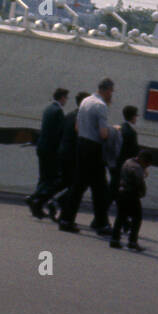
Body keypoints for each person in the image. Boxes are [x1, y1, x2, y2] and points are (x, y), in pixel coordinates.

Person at [59, 78, 115, 234]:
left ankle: (66, 219)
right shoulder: (101, 106)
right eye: (111, 91)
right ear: (107, 90)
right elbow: (103, 134)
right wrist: (114, 130)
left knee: (79, 186)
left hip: (81, 145)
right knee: (100, 188)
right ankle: (101, 223)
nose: (111, 95)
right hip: (94, 148)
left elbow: (77, 127)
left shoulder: (85, 102)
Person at [27, 88, 68, 220]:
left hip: (42, 146)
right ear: (62, 97)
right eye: (66, 98)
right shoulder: (58, 111)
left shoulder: (48, 109)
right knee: (51, 177)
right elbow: (60, 132)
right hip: (51, 149)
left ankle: (34, 199)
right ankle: (36, 199)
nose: (66, 100)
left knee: (44, 175)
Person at [47, 90, 87, 222]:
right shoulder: (81, 118)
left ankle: (56, 205)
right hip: (73, 155)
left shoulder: (69, 115)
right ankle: (57, 202)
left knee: (66, 182)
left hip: (63, 153)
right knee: (75, 185)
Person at [109, 151, 151, 251]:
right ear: (143, 160)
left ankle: (115, 239)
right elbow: (139, 183)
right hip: (131, 195)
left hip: (121, 192)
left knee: (120, 217)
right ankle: (132, 241)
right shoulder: (137, 168)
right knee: (137, 218)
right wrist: (142, 192)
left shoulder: (127, 162)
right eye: (147, 164)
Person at [108, 105, 140, 208]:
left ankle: (101, 216)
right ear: (132, 116)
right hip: (125, 167)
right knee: (118, 192)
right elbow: (134, 152)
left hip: (114, 164)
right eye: (136, 116)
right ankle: (101, 217)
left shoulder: (119, 129)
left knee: (113, 189)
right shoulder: (131, 133)